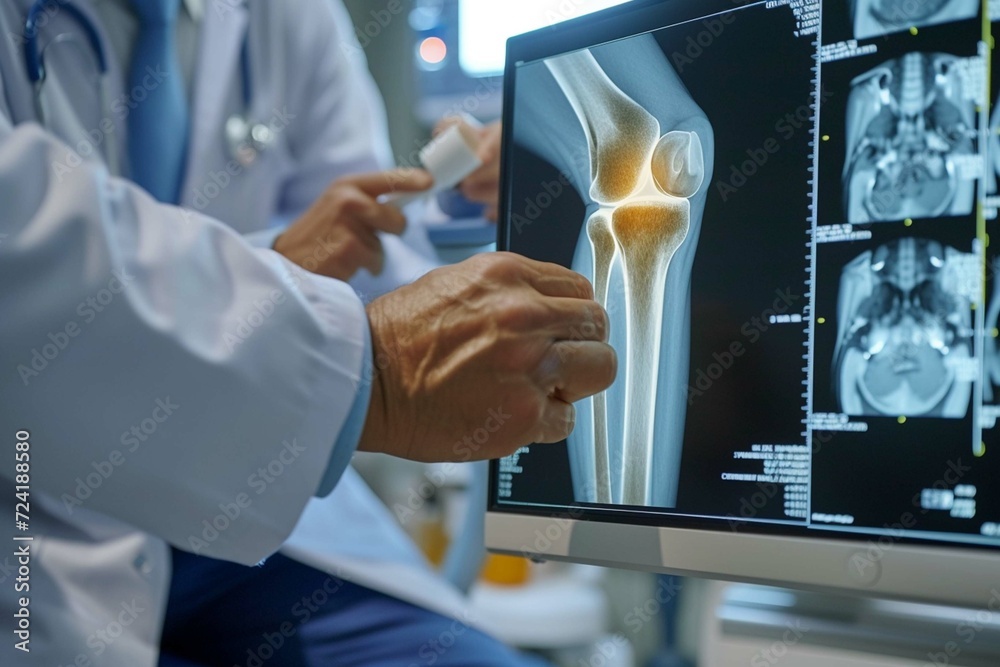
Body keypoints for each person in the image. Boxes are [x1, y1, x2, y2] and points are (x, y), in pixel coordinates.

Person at [0, 0, 616, 664]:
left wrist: (519, 212)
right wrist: (356, 356)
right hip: (36, 523)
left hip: (253, 514)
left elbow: (385, 280)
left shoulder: (290, 15)